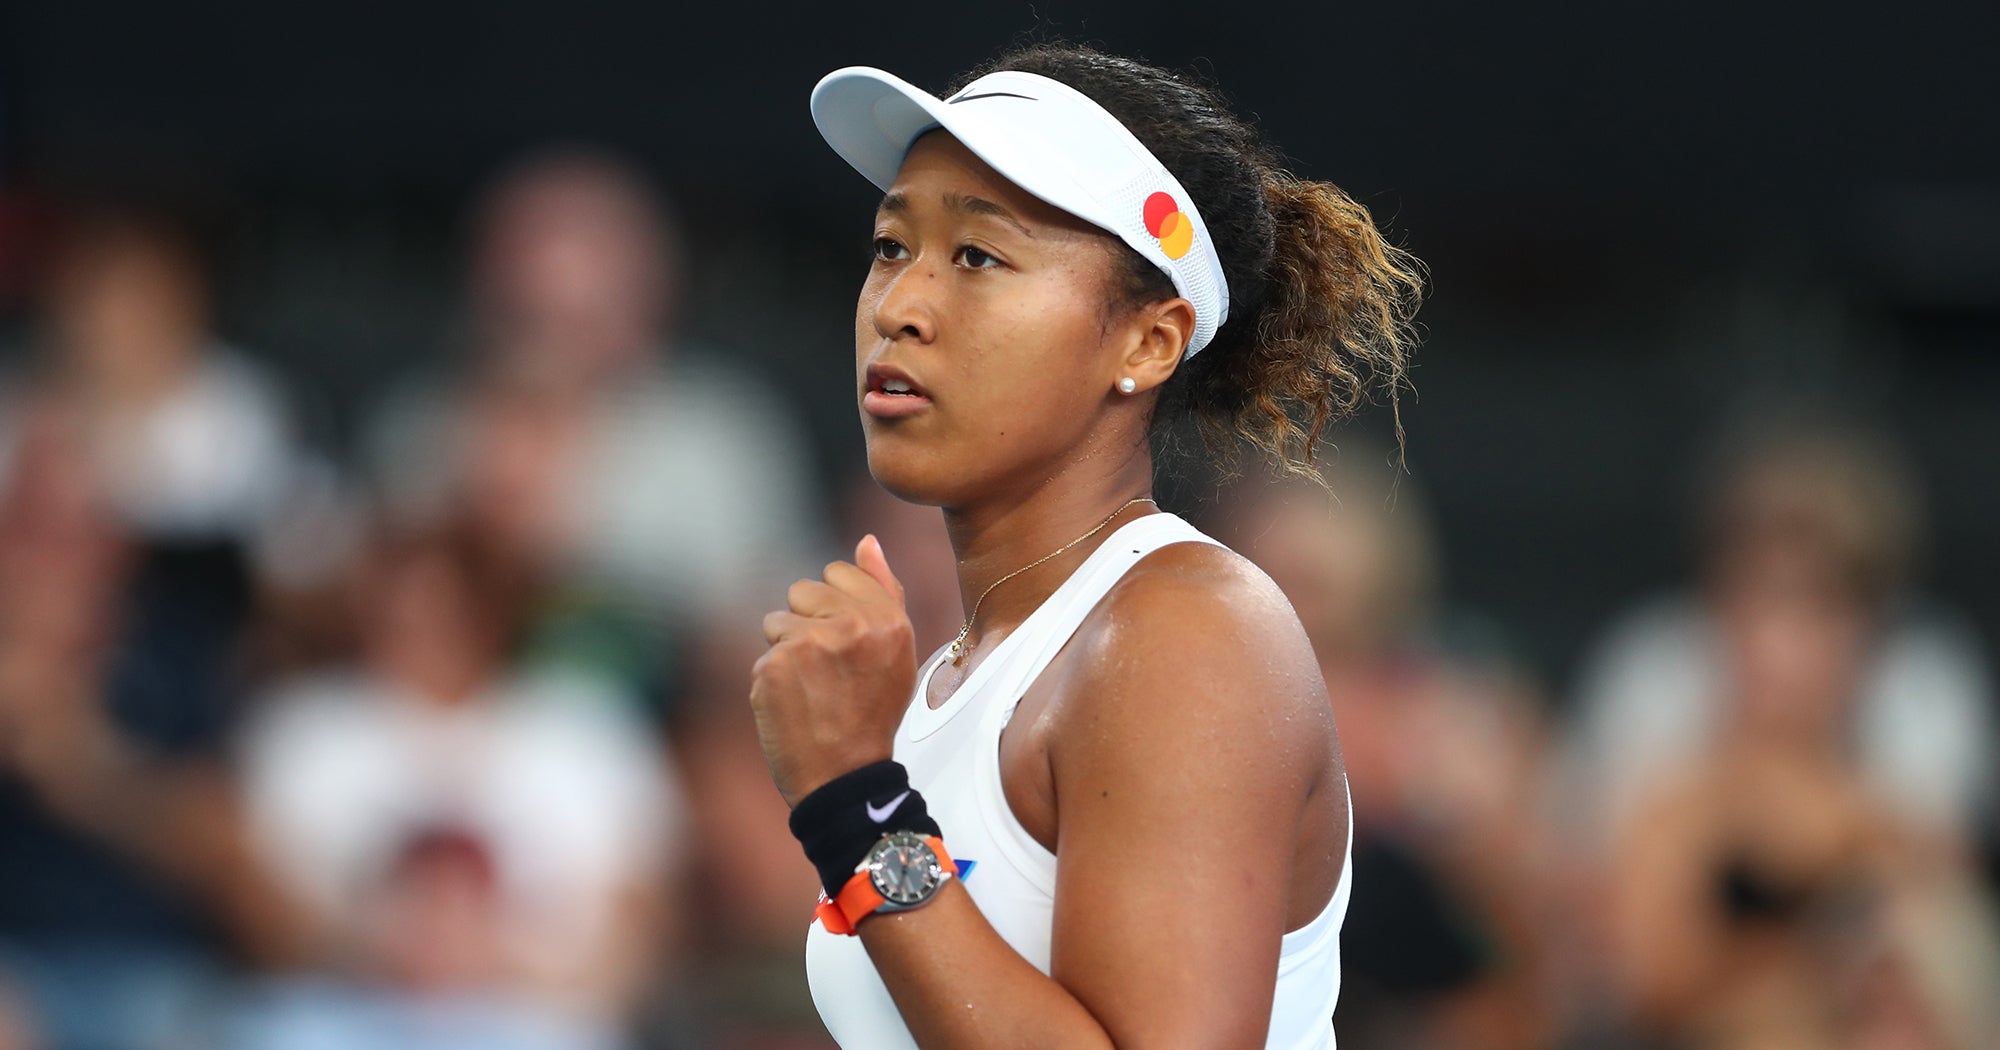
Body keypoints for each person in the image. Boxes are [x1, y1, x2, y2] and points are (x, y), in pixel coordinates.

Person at [748, 44, 1423, 1048]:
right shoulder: (950, 675)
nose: (898, 306)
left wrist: (858, 807)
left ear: (1145, 343)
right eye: (891, 246)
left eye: (977, 257)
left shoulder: (1188, 635)